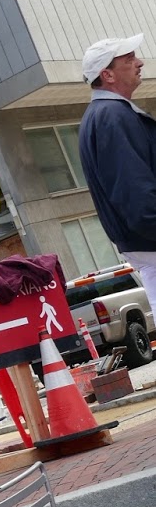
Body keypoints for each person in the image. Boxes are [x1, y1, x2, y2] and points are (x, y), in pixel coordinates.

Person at [77, 34, 156, 308]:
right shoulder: (113, 115)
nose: (140, 62)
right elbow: (134, 192)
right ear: (107, 75)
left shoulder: (104, 114)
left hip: (143, 243)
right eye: (129, 59)